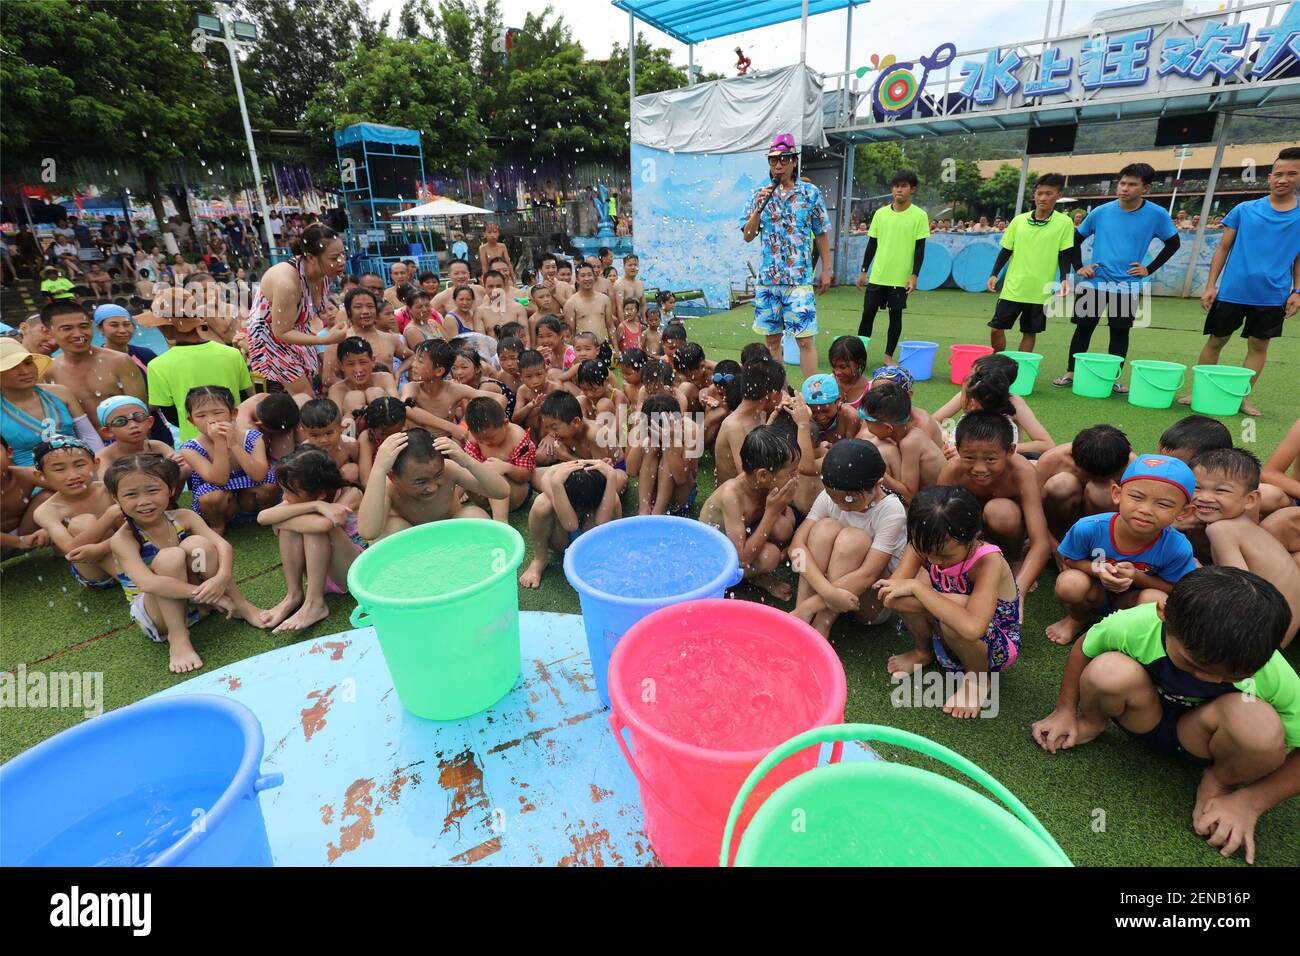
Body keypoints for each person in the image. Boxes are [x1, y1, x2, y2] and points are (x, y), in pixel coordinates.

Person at [1031, 566, 1299, 863]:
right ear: (1163, 612)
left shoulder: (1273, 671)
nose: (1208, 679)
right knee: (1107, 670)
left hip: (1204, 741)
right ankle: (1093, 724)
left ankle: (1219, 781)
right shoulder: (1137, 624)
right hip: (1143, 716)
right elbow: (1087, 646)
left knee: (1259, 725)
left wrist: (1250, 803)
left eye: (1231, 674)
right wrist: (1065, 710)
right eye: (1193, 663)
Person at [105, 454, 268, 672]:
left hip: (201, 600)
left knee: (198, 544)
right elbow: (149, 584)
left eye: (153, 491)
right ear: (116, 499)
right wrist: (209, 594)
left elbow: (223, 547)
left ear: (171, 489)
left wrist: (220, 580)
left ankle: (241, 605)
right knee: (169, 558)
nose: (144, 501)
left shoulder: (184, 517)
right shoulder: (123, 539)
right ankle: (179, 638)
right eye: (131, 494)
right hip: (158, 614)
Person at [876, 485, 1022, 718]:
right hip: (948, 619)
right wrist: (922, 591)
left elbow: (973, 627)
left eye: (945, 555)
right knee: (898, 598)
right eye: (925, 550)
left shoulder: (988, 561)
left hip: (993, 640)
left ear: (973, 538)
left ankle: (978, 680)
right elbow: (889, 596)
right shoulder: (926, 542)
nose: (934, 560)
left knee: (953, 621)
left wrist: (918, 587)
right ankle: (925, 652)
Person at [1188, 148, 1300, 417]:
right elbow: (1222, 249)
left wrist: (1297, 290)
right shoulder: (1244, 210)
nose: (1282, 179)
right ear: (1270, 177)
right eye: (1278, 174)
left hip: (1272, 295)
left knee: (1259, 346)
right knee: (1217, 340)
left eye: (1291, 174)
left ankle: (1241, 398)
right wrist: (1210, 285)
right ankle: (1199, 391)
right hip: (1232, 291)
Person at [1051, 163, 1180, 392]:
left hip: (1127, 285)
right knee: (1083, 329)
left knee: (1119, 332)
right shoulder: (1101, 212)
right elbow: (1075, 240)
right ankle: (1071, 372)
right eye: (1122, 183)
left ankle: (1113, 378)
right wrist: (1080, 267)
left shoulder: (1157, 214)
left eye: (1132, 184)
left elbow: (1173, 243)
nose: (1124, 188)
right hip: (1095, 282)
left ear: (1146, 188)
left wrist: (1148, 269)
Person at [1049, 454, 1197, 646]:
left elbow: (1176, 588)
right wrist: (1098, 569)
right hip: (1094, 592)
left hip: (1133, 601)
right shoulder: (1089, 527)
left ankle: (1129, 634)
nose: (1146, 509)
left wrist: (1136, 576)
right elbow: (1070, 561)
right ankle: (1077, 618)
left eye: (1163, 504)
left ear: (1184, 512)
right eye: (1136, 497)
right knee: (1069, 583)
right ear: (1117, 494)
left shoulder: (1177, 546)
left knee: (1156, 600)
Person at [790, 439, 907, 636]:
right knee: (824, 528)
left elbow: (868, 574)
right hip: (833, 592)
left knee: (853, 538)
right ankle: (801, 616)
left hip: (869, 601)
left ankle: (821, 624)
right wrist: (828, 593)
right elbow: (796, 548)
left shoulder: (891, 510)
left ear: (877, 485)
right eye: (833, 496)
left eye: (850, 499)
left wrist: (817, 601)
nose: (841, 505)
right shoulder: (835, 493)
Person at [935, 412, 1051, 602]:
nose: (979, 468)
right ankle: (967, 559)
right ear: (958, 449)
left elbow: (1041, 541)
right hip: (970, 533)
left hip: (1009, 529)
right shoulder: (952, 471)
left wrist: (1018, 593)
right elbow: (935, 518)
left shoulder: (1022, 472)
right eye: (969, 458)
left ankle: (1014, 559)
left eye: (990, 459)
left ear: (1011, 451)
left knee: (1001, 511)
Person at [743, 133, 832, 378]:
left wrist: (826, 269)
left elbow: (822, 232)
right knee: (772, 342)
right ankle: (779, 395)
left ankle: (812, 397)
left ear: (794, 161)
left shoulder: (810, 193)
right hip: (769, 281)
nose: (778, 165)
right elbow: (748, 235)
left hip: (799, 279)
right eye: (773, 161)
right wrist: (759, 208)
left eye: (783, 159)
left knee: (805, 340)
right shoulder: (759, 194)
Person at [1191, 448, 1300, 647]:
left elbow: (1237, 589)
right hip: (1275, 630)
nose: (1204, 497)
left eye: (1221, 490)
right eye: (1197, 488)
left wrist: (1196, 570)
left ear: (1250, 499)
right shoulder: (1241, 525)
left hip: (1259, 637)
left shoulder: (1220, 529)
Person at [256, 445, 366, 634]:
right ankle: (294, 595)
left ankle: (315, 603)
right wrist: (316, 505)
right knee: (295, 525)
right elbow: (262, 517)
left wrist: (281, 522)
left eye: (290, 492)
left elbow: (322, 526)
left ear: (321, 491)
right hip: (320, 573)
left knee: (309, 526)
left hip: (349, 571)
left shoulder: (351, 494)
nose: (285, 497)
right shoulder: (306, 499)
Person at [244, 224, 350, 402]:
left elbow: (315, 312)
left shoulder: (323, 275)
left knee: (309, 391)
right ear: (310, 257)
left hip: (298, 331)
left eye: (342, 254)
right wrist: (325, 339)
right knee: (305, 399)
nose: (341, 261)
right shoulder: (287, 283)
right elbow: (281, 332)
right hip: (270, 338)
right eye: (334, 257)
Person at [702, 424, 800, 602]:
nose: (796, 478)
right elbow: (740, 559)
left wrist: (780, 506)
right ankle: (756, 577)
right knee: (770, 556)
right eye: (791, 473)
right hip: (715, 557)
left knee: (784, 526)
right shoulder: (731, 496)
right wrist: (771, 512)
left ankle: (756, 573)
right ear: (763, 475)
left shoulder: (762, 484)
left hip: (742, 535)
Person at [357, 428, 509, 541]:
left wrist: (467, 460)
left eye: (438, 475)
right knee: (391, 530)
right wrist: (378, 469)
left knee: (474, 515)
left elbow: (501, 491)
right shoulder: (388, 485)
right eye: (420, 482)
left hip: (452, 540)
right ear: (394, 478)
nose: (432, 487)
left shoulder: (449, 469)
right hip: (413, 549)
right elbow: (368, 532)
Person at [986, 173, 1074, 354]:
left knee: (1029, 332)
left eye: (1048, 193)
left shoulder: (1064, 222)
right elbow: (1006, 250)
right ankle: (997, 362)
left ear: (1058, 195)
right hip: (1013, 287)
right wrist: (994, 273)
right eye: (1039, 193)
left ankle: (1022, 368)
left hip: (1039, 291)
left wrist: (1065, 279)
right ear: (1034, 195)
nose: (1042, 198)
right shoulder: (1019, 221)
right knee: (996, 329)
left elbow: (1065, 254)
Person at [179, 386, 278, 534]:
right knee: (210, 496)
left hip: (249, 499)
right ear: (191, 420)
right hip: (221, 502)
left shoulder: (252, 437)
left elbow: (260, 475)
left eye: (218, 413)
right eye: (201, 416)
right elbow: (219, 480)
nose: (211, 420)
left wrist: (234, 444)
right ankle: (217, 525)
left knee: (268, 484)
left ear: (233, 414)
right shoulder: (191, 448)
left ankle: (266, 516)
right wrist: (220, 443)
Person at [856, 171, 929, 366]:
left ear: (912, 189)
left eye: (904, 186)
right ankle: (859, 356)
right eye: (896, 185)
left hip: (900, 279)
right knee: (867, 315)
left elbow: (920, 249)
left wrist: (914, 275)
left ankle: (888, 356)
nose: (899, 189)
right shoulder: (880, 214)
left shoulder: (919, 216)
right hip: (878, 276)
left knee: (895, 317)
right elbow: (872, 244)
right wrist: (864, 270)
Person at [31, 437, 121, 590]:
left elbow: (135, 527)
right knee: (82, 523)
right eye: (59, 469)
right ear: (41, 476)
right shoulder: (47, 510)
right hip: (96, 573)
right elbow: (70, 548)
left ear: (95, 464)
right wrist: (109, 516)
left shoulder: (109, 488)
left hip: (129, 552)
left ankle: (136, 572)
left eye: (80, 465)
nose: (73, 475)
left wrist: (104, 546)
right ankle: (131, 581)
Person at [518, 459, 623, 589]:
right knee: (542, 503)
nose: (580, 509)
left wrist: (612, 476)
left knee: (615, 500)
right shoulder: (554, 477)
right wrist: (557, 484)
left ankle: (603, 559)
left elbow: (602, 523)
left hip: (593, 541)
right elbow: (570, 524)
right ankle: (540, 559)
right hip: (563, 537)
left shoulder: (604, 486)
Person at [1036, 424, 1134, 541]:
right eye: (1089, 474)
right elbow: (1032, 509)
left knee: (1103, 492)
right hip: (1059, 525)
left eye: (1105, 475)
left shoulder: (1134, 466)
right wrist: (1052, 545)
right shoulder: (1052, 460)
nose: (1096, 478)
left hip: (1105, 526)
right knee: (1061, 485)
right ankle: (1062, 541)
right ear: (1073, 454)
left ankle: (1095, 543)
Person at [0, 339, 84, 467]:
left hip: (80, 470)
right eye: (13, 366)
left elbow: (88, 436)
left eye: (28, 363)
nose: (25, 371)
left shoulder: (60, 393)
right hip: (30, 481)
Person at [857, 382, 945, 501]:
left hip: (937, 501)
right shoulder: (905, 434)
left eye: (867, 421)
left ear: (888, 428)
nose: (866, 426)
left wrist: (879, 471)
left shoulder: (910, 443)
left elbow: (909, 495)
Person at [461, 396, 535, 522]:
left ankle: (501, 522)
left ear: (505, 423)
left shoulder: (517, 436)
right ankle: (449, 513)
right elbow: (468, 468)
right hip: (484, 496)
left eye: (491, 437)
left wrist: (507, 468)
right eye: (480, 439)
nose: (485, 442)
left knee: (495, 475)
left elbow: (527, 475)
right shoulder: (473, 439)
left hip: (515, 493)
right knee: (461, 472)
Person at [627, 394, 701, 517]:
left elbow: (681, 478)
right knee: (651, 445)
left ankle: (658, 511)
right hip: (653, 495)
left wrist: (669, 441)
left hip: (680, 497)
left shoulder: (690, 429)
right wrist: (643, 432)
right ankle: (644, 510)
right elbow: (631, 470)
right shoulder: (642, 425)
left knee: (669, 454)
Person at [714, 358, 785, 485]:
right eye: (781, 393)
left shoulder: (761, 414)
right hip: (737, 501)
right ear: (773, 395)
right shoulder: (734, 426)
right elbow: (750, 480)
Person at [94, 395, 189, 482]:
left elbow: (185, 468)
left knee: (182, 468)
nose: (133, 425)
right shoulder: (103, 458)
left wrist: (174, 466)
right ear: (107, 431)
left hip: (162, 498)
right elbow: (105, 488)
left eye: (138, 417)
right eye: (120, 421)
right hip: (122, 499)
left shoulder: (157, 446)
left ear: (149, 422)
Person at [327, 336, 397, 421]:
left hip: (384, 428)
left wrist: (369, 410)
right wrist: (353, 412)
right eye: (351, 364)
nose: (358, 370)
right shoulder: (337, 390)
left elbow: (397, 408)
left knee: (374, 392)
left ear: (373, 361)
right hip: (351, 430)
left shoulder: (385, 378)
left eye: (363, 362)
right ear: (341, 365)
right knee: (354, 396)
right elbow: (334, 422)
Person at [0, 437, 50, 554]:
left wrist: (50, 525)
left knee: (47, 496)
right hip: (10, 541)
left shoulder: (23, 474)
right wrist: (18, 542)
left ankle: (65, 550)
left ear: (9, 452)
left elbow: (64, 487)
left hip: (27, 531)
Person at [562, 262, 617, 345]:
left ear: (594, 277)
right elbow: (571, 333)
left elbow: (610, 327)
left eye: (589, 275)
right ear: (577, 279)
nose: (587, 278)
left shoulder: (604, 299)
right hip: (583, 349)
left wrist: (616, 349)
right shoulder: (571, 303)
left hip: (603, 346)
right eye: (583, 275)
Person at [801, 373, 857, 453]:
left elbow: (854, 452)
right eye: (814, 412)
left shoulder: (849, 417)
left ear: (838, 402)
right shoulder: (801, 416)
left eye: (825, 411)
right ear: (805, 407)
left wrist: (832, 448)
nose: (821, 417)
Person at [828, 335, 869, 414]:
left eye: (842, 367)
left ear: (859, 363)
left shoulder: (870, 390)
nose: (837, 372)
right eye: (833, 366)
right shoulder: (828, 383)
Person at [613, 254, 645, 325]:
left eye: (635, 265)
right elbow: (619, 308)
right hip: (626, 322)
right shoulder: (619, 284)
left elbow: (643, 305)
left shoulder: (640, 284)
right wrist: (624, 325)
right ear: (624, 267)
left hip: (638, 323)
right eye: (630, 265)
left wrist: (645, 322)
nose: (633, 267)